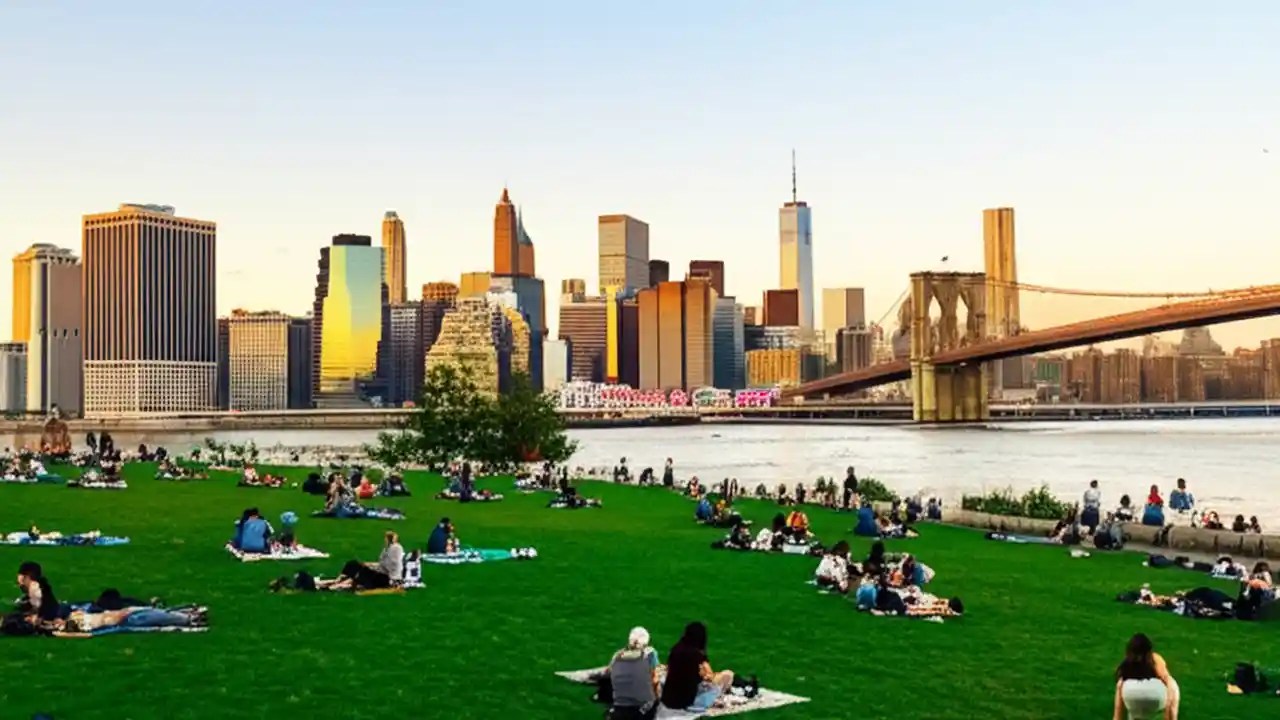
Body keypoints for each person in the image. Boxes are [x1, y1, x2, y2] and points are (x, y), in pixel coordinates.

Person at [660, 622, 734, 713]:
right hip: (687, 702)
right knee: (725, 678)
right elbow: (709, 677)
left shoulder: (675, 649)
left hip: (668, 699)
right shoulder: (697, 656)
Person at [1113, 633, 1179, 720]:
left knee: (1121, 686)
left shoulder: (1127, 663)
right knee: (1172, 683)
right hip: (1155, 697)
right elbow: (1168, 681)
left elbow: (1119, 685)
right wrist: (1168, 712)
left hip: (1131, 696)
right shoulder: (1155, 659)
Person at [606, 627, 660, 718]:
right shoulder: (651, 654)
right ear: (645, 643)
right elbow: (655, 679)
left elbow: (611, 673)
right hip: (642, 709)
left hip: (620, 707)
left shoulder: (617, 656)